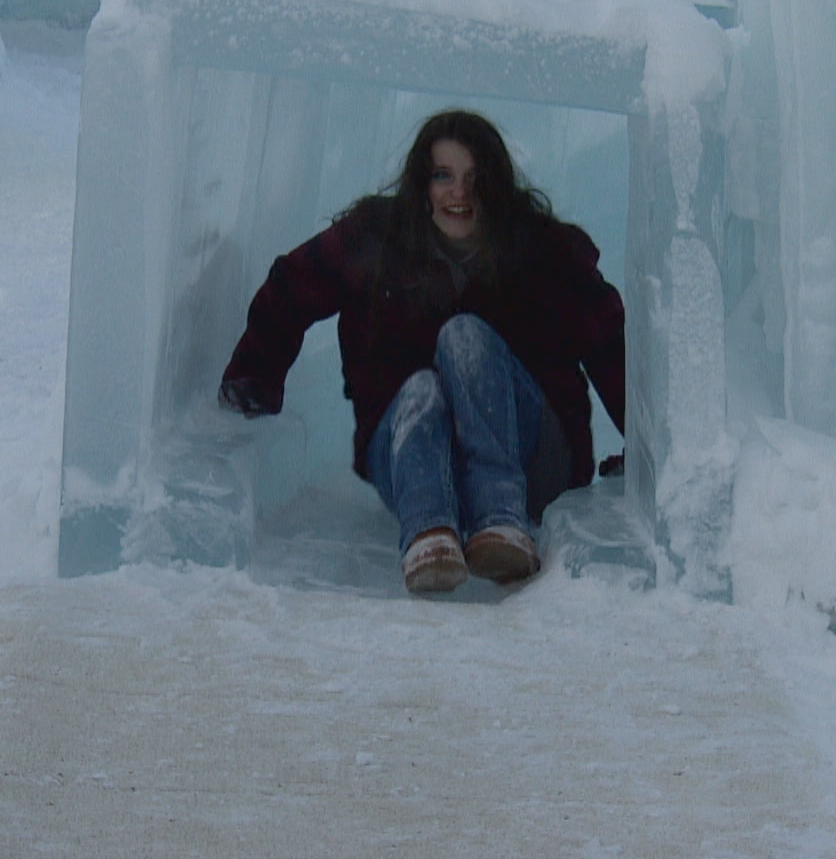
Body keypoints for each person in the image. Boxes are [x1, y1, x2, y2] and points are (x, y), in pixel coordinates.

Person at [219, 109, 626, 594]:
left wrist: (647, 448)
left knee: (465, 337)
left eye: (476, 178)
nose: (460, 193)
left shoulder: (541, 249)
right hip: (415, 460)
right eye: (443, 176)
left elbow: (606, 339)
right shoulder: (378, 239)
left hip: (531, 461)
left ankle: (501, 522)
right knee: (420, 389)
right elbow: (292, 287)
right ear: (421, 184)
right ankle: (430, 535)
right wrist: (252, 386)